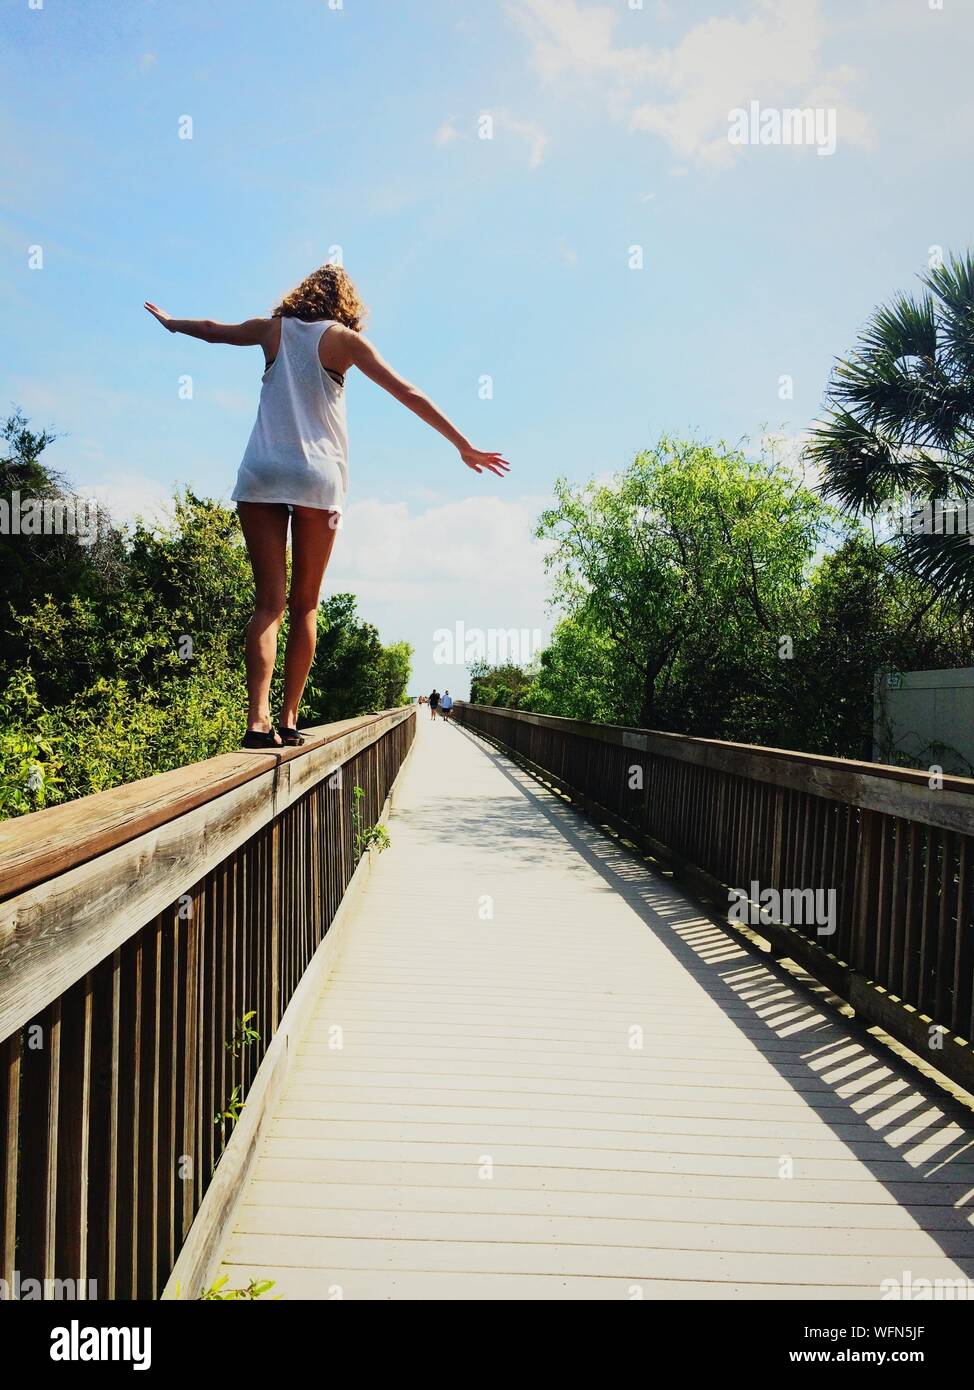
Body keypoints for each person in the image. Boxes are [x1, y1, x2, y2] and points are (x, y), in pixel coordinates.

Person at [145, 264, 510, 749]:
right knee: (306, 605)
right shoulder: (344, 341)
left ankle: (257, 722)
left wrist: (173, 323)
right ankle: (290, 717)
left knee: (268, 605)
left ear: (301, 294)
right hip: (319, 480)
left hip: (262, 474)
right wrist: (463, 445)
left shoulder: (269, 330)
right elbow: (408, 392)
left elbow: (213, 332)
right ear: (346, 302)